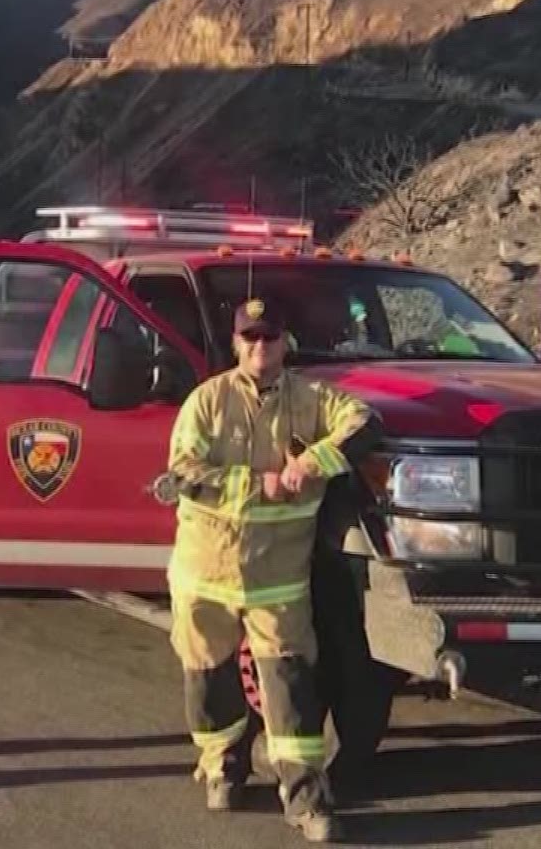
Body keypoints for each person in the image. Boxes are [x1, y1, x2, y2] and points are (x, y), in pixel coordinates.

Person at [158, 297, 376, 843]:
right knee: (208, 676)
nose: (261, 346)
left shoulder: (312, 399)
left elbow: (363, 422)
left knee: (290, 683)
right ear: (236, 343)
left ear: (286, 342)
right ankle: (222, 767)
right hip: (205, 573)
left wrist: (314, 460)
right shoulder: (207, 401)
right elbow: (183, 472)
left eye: (270, 337)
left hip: (277, 576)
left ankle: (305, 799)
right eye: (251, 337)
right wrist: (261, 485)